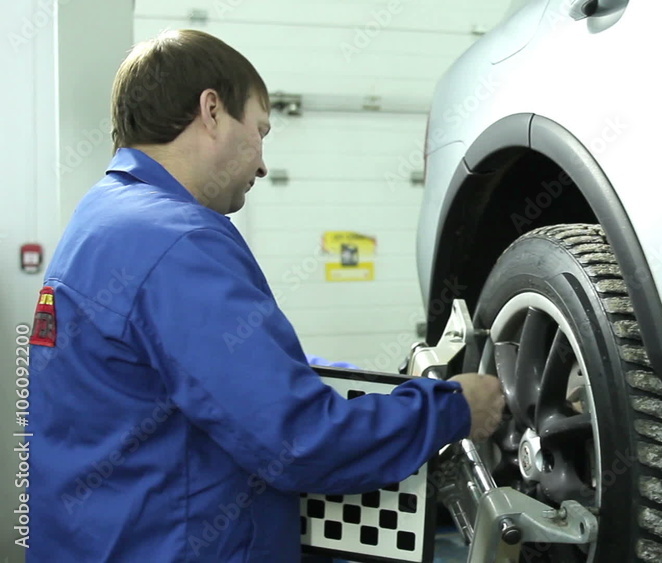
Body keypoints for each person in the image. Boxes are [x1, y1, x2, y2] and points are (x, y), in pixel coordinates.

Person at [26, 29, 505, 562]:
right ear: (211, 110)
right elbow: (298, 440)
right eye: (260, 130)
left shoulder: (102, 219)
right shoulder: (179, 240)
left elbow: (219, 381)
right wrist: (449, 411)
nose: (261, 165)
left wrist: (381, 392)